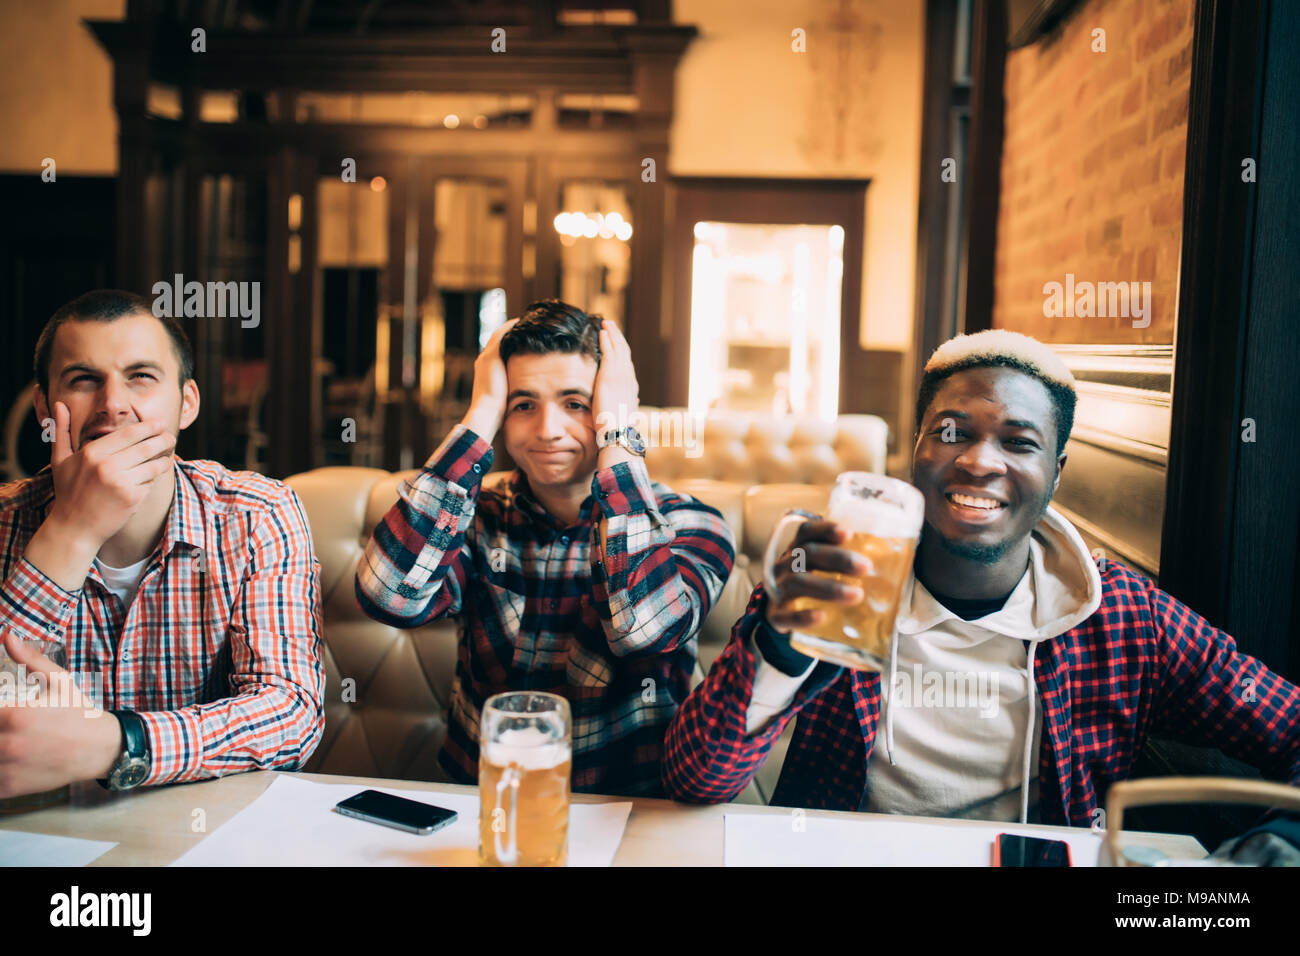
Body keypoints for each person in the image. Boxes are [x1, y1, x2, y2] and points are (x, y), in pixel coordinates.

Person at [662, 329, 1299, 856]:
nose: (979, 461)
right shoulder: (832, 582)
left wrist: (1282, 835)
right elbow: (694, 778)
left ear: (1055, 473)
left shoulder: (1126, 617)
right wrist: (780, 643)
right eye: (952, 431)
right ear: (915, 448)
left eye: (1019, 442)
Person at [356, 300, 734, 796]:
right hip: (486, 801)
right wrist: (479, 413)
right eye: (523, 404)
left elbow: (644, 631)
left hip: (633, 810)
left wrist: (619, 433)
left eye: (576, 404)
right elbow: (388, 596)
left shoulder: (691, 523)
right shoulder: (473, 515)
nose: (548, 430)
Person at [0, 289, 324, 798]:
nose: (113, 405)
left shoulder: (256, 514)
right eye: (84, 380)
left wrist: (116, 744)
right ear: (46, 407)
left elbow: (290, 715)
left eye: (141, 377)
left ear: (186, 403)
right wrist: (72, 529)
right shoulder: (7, 520)